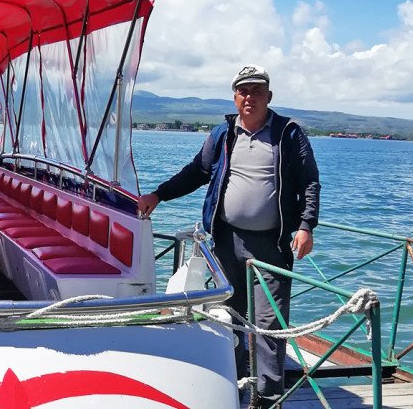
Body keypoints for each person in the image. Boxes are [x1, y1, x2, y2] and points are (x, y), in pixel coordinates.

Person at [137, 64, 320, 408]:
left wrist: (306, 226)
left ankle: (267, 396)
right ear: (235, 97)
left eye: (256, 90)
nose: (249, 97)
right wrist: (157, 195)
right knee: (230, 314)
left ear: (269, 96)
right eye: (243, 91)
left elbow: (310, 181)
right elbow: (196, 172)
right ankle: (233, 383)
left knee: (269, 321)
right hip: (226, 239)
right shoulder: (225, 134)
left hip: (273, 243)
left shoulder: (289, 133)